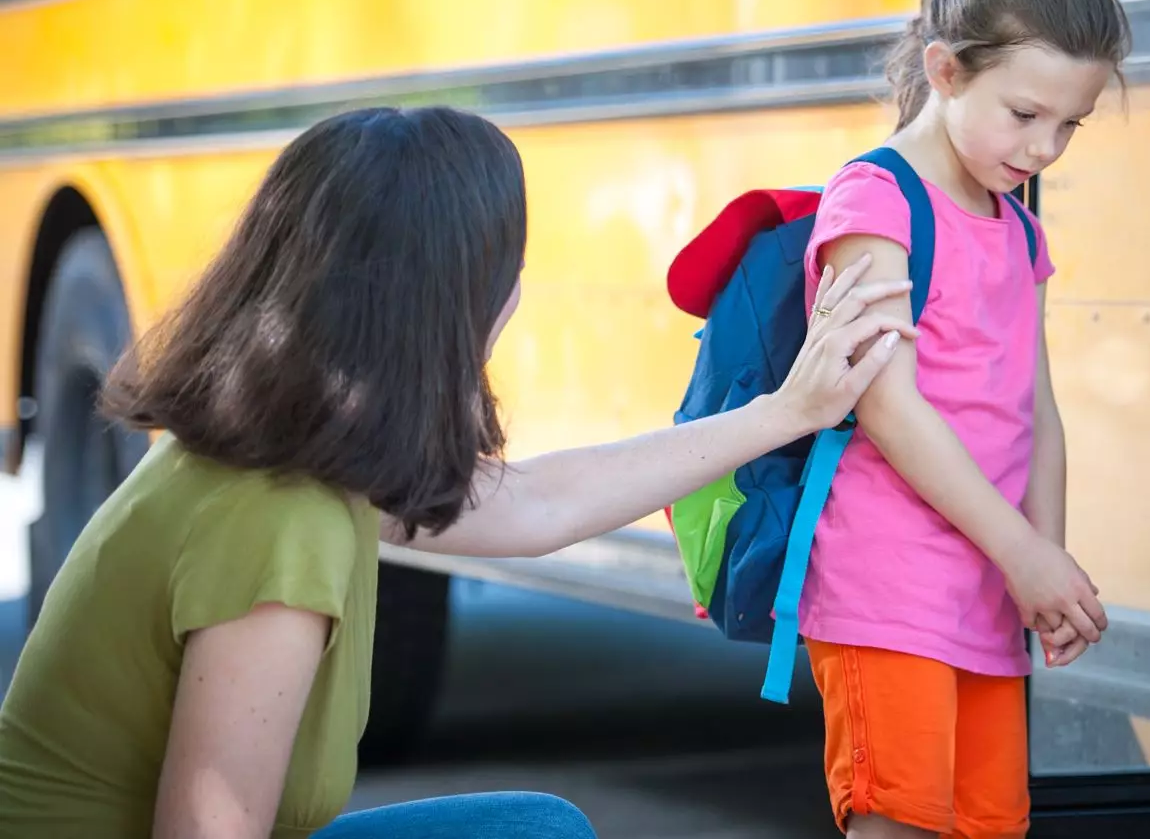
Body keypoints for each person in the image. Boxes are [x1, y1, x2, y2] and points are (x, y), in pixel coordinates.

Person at [0, 105, 918, 839]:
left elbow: (537, 502)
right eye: (507, 267)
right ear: (450, 306)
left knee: (531, 829)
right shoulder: (280, 525)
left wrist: (783, 414)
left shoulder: (298, 452)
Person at [796, 0, 1128, 839]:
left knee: (988, 825)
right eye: (1026, 115)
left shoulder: (1018, 229)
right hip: (888, 589)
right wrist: (1022, 556)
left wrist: (1045, 566)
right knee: (900, 824)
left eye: (1070, 123)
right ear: (944, 71)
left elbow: (1039, 413)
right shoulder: (876, 201)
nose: (1048, 147)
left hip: (989, 595)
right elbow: (887, 405)